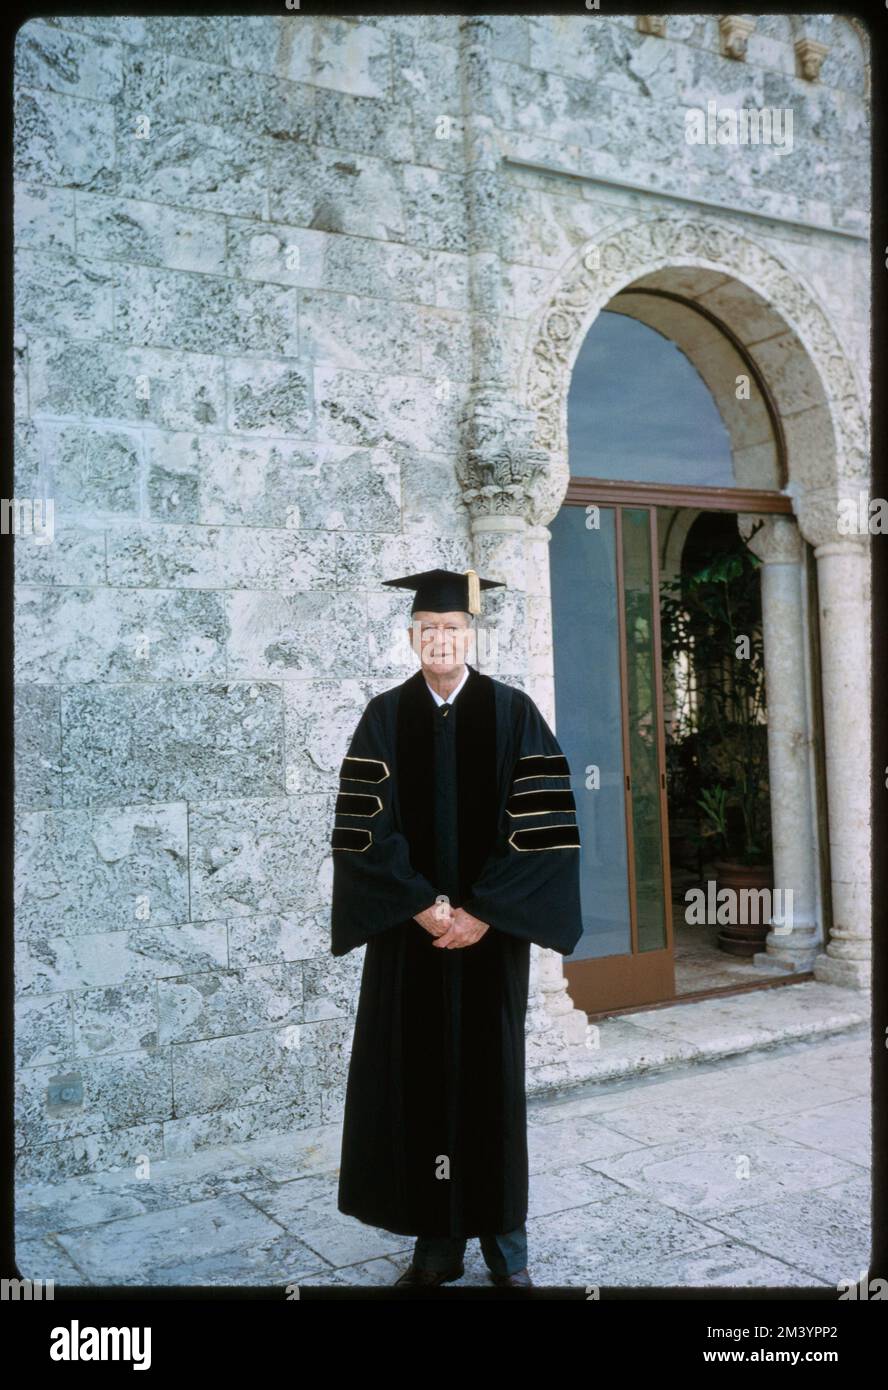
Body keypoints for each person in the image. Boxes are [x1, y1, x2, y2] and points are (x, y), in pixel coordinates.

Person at [329, 566, 583, 1287]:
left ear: (472, 636)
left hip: (486, 939)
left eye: (452, 629)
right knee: (418, 1082)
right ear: (412, 637)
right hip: (408, 939)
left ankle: (506, 1244)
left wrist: (481, 912)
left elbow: (543, 827)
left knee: (488, 1083)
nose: (440, 640)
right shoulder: (384, 716)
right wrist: (418, 904)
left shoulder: (512, 713)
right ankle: (435, 1243)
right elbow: (360, 830)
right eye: (428, 630)